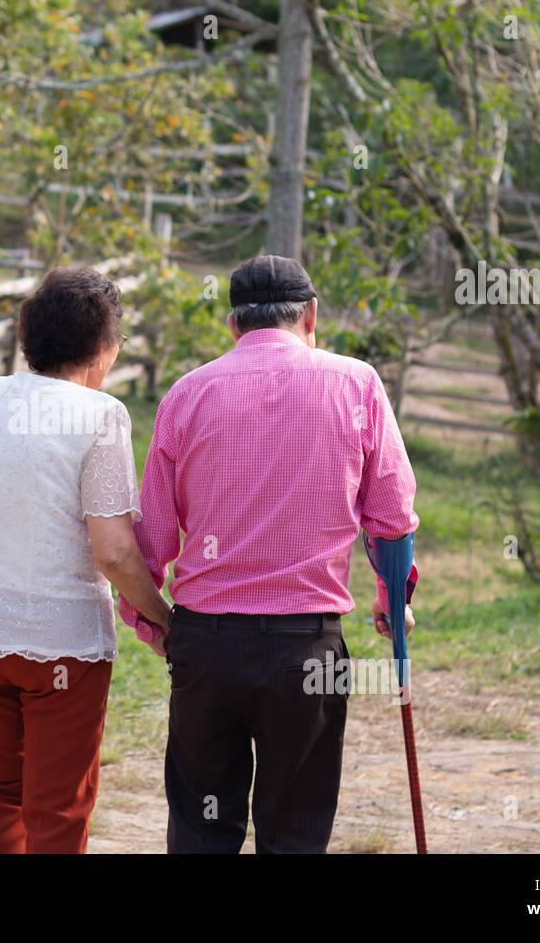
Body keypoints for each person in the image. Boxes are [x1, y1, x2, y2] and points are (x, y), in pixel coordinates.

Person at [119, 254, 420, 854]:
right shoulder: (356, 383)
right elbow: (391, 517)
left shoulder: (187, 394)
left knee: (203, 828)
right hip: (306, 651)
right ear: (312, 315)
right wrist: (391, 604)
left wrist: (155, 625)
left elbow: (150, 537)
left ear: (234, 325)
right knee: (294, 835)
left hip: (207, 648)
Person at [0, 265, 172, 854]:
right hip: (59, 646)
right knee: (58, 805)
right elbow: (112, 551)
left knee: (1, 787)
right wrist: (165, 619)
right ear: (104, 347)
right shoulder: (100, 415)